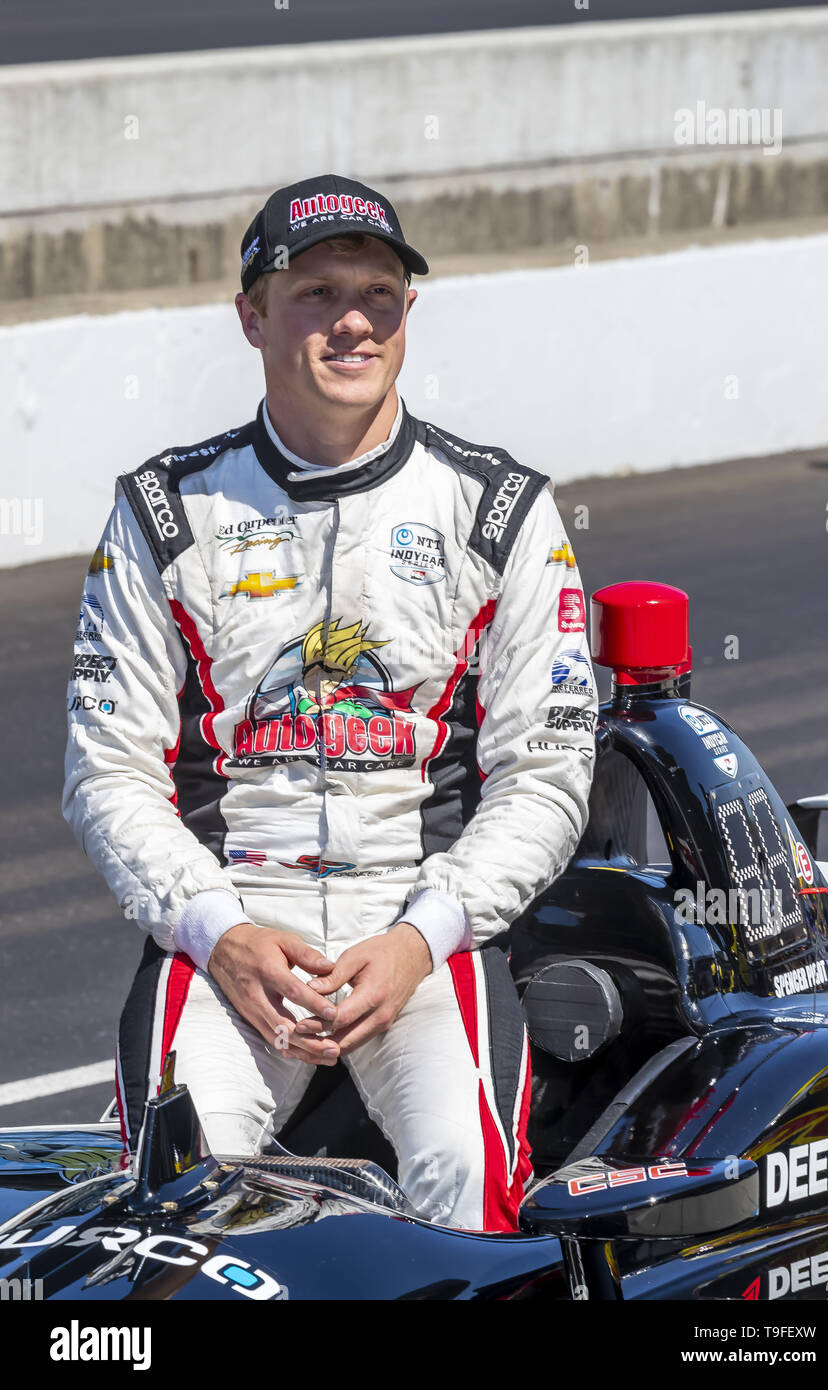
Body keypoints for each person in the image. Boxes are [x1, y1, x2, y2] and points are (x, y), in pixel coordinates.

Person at [62, 173, 598, 1231]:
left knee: (468, 1192)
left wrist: (418, 937)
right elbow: (105, 769)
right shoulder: (163, 511)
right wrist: (217, 930)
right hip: (229, 931)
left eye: (378, 294)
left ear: (407, 313)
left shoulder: (502, 510)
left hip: (422, 932)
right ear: (251, 315)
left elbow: (543, 774)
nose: (351, 320)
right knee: (168, 1213)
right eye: (314, 293)